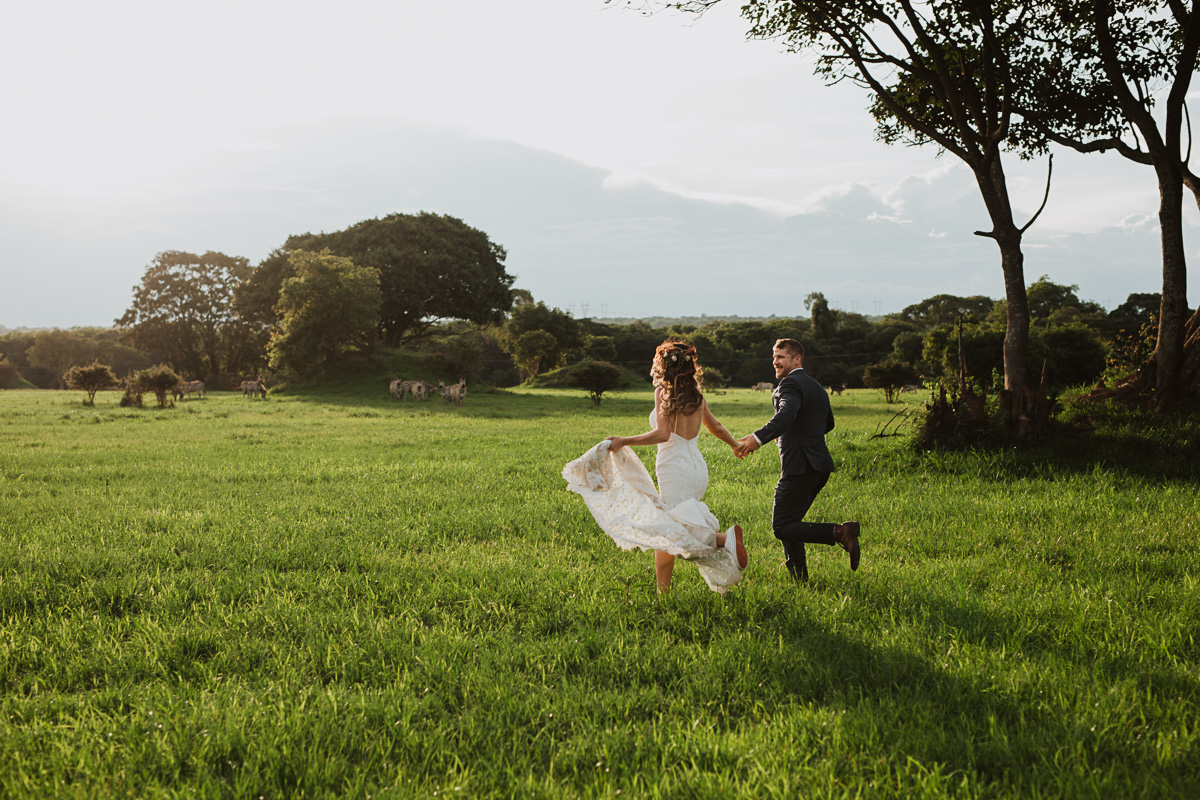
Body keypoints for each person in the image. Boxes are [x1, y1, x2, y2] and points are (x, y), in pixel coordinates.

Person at [562, 339, 748, 594]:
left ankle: (723, 540)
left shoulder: (664, 392)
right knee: (668, 531)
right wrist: (735, 445)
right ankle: (663, 593)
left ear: (663, 364)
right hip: (696, 468)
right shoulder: (696, 395)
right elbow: (715, 426)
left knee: (670, 528)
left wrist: (623, 441)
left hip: (674, 467)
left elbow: (662, 434)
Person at [737, 338, 860, 583]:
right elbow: (828, 423)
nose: (775, 361)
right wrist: (794, 434)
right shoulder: (816, 387)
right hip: (819, 465)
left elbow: (787, 413)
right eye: (774, 357)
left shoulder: (789, 385)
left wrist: (759, 438)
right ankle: (800, 580)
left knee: (781, 527)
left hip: (800, 466)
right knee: (791, 524)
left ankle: (840, 532)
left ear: (797, 359)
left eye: (781, 357)